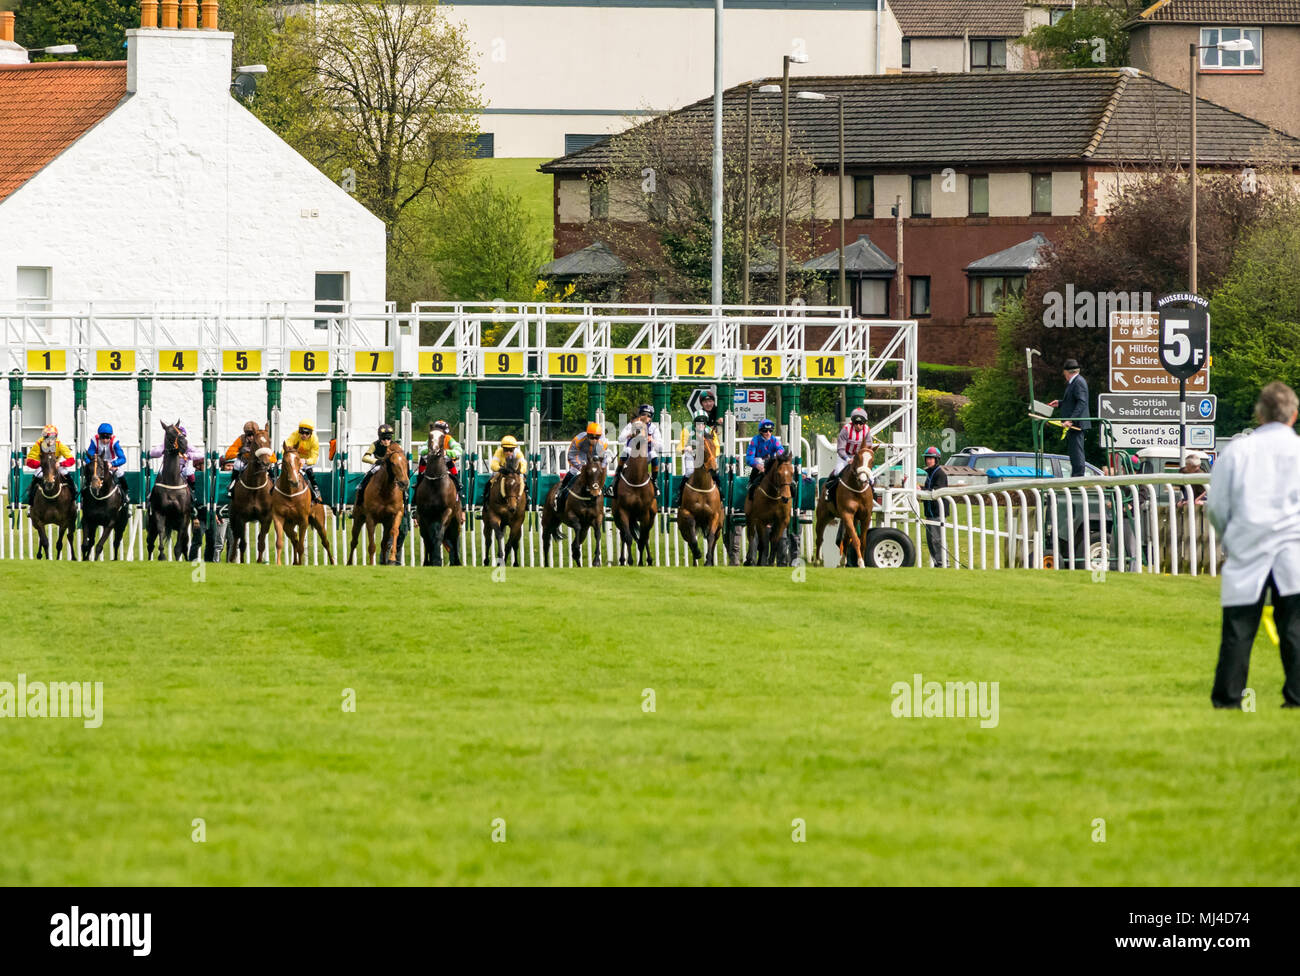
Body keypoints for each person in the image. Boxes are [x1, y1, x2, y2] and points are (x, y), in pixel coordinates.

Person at [1207, 381, 1300, 710]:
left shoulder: (1237, 451)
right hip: (1294, 547)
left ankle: (1228, 698)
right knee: (1295, 626)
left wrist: (1229, 535)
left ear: (1259, 414)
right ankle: (1296, 698)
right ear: (1294, 415)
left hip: (1248, 543)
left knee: (1239, 627)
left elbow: (1216, 505)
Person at [146, 424, 204, 516]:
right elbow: (153, 453)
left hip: (182, 469)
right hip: (168, 470)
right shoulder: (166, 444)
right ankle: (151, 497)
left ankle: (192, 495)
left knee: (188, 472)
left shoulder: (187, 445)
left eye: (182, 437)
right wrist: (163, 450)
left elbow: (201, 454)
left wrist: (189, 456)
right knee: (160, 476)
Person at [1048, 358, 1091, 477]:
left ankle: (1078, 477)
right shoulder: (1075, 382)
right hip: (1073, 424)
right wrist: (1060, 403)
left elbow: (1082, 402)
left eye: (1064, 373)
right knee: (1073, 452)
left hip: (1076, 424)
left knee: (1077, 452)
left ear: (1067, 372)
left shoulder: (1078, 382)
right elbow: (1073, 401)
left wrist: (1070, 420)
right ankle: (1076, 476)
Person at [556, 421, 611, 507]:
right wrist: (581, 467)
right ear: (587, 435)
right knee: (573, 471)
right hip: (581, 459)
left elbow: (605, 459)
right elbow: (571, 456)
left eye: (597, 438)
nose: (594, 440)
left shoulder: (603, 443)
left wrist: (602, 468)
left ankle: (607, 494)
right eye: (592, 437)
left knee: (601, 473)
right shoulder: (578, 439)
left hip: (595, 460)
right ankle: (562, 489)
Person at [616, 403, 665, 498]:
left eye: (648, 415)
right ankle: (616, 479)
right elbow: (620, 439)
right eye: (643, 414)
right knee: (626, 450)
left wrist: (653, 440)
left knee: (654, 455)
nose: (645, 417)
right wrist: (629, 434)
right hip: (632, 453)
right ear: (639, 415)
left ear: (651, 418)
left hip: (646, 454)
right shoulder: (631, 425)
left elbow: (661, 447)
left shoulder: (653, 428)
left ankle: (654, 481)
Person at [674, 411, 721, 508]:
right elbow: (679, 448)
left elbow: (716, 447)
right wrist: (686, 448)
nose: (701, 425)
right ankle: (680, 494)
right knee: (690, 471)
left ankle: (721, 494)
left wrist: (712, 457)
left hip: (707, 457)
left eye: (703, 423)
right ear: (694, 423)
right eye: (698, 423)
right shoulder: (687, 430)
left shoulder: (710, 431)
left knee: (715, 472)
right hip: (691, 456)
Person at [221, 421, 276, 503]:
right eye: (249, 435)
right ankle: (232, 484)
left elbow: (273, 457)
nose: (251, 437)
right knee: (236, 464)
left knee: (268, 465)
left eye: (253, 435)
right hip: (245, 461)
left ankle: (274, 482)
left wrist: (266, 459)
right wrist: (240, 453)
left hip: (259, 461)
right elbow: (228, 454)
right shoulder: (241, 439)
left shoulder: (261, 439)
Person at [824, 407, 871, 500]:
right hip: (845, 456)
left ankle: (872, 496)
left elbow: (868, 446)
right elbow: (840, 448)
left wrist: (859, 458)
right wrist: (847, 459)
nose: (858, 426)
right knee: (838, 472)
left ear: (864, 423)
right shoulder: (845, 430)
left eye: (861, 423)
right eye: (856, 423)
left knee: (871, 477)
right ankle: (829, 493)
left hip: (859, 458)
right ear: (852, 422)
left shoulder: (867, 430)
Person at [24, 424, 77, 506]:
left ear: (55, 437)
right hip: (43, 466)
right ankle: (31, 501)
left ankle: (74, 496)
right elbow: (29, 460)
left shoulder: (59, 444)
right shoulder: (39, 444)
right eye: (47, 437)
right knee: (36, 476)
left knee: (66, 474)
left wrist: (60, 463)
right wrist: (41, 464)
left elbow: (71, 460)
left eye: (52, 437)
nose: (49, 441)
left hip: (56, 465)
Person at [283, 419, 326, 510]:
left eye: (306, 434)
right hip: (294, 460)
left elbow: (314, 458)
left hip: (307, 460)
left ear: (311, 434)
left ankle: (316, 490)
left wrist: (305, 461)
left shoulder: (314, 440)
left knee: (309, 472)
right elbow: (286, 447)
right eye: (302, 433)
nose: (303, 435)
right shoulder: (294, 435)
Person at [85, 422, 130, 504]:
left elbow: (123, 458)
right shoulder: (94, 441)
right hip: (98, 463)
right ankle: (85, 493)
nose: (105, 440)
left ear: (111, 436)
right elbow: (88, 457)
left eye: (107, 437)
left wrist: (113, 464)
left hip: (111, 462)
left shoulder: (115, 442)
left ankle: (125, 494)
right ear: (99, 436)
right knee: (89, 472)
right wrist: (92, 464)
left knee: (120, 473)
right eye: (102, 437)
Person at [417, 420, 462, 498]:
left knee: (454, 474)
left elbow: (459, 450)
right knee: (422, 463)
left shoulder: (448, 439)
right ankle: (418, 486)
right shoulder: (431, 439)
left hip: (445, 461)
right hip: (430, 461)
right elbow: (421, 450)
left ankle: (457, 488)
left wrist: (446, 452)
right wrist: (429, 451)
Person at [355, 423, 397, 503]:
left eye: (388, 438)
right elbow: (364, 458)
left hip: (391, 466)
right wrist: (376, 461)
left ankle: (405, 502)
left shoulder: (394, 445)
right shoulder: (375, 445)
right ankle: (361, 496)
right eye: (384, 439)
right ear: (380, 438)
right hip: (378, 465)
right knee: (368, 476)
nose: (386, 441)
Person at [745, 419, 785, 501]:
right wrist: (757, 465)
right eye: (765, 430)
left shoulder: (774, 440)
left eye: (770, 430)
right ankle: (751, 490)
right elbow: (749, 458)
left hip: (770, 463)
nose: (768, 433)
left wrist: (779, 453)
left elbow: (781, 450)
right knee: (754, 478)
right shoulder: (755, 440)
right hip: (759, 465)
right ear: (760, 431)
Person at [922, 446, 948, 568]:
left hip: (937, 512)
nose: (928, 461)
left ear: (936, 460)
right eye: (927, 458)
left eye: (931, 459)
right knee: (930, 540)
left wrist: (923, 490)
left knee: (937, 540)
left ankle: (944, 563)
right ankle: (938, 563)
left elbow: (936, 491)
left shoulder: (940, 474)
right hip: (929, 512)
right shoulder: (929, 472)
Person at [486, 435, 528, 504]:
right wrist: (500, 469)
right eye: (506, 450)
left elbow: (524, 464)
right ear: (502, 448)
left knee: (524, 481)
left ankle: (527, 497)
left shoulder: (518, 453)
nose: (508, 452)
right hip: (502, 471)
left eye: (511, 450)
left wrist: (520, 471)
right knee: (490, 481)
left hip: (515, 472)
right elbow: (493, 464)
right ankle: (486, 497)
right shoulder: (499, 452)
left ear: (514, 449)